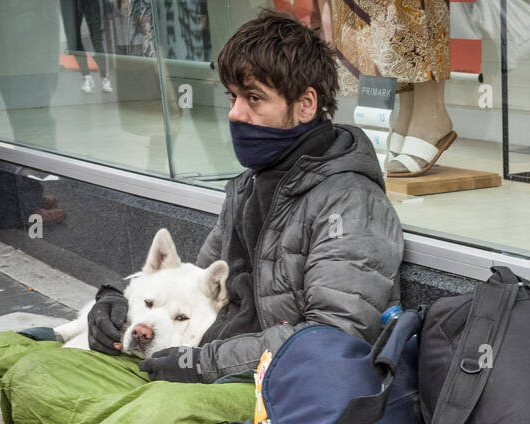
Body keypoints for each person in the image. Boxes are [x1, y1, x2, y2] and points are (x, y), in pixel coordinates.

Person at [86, 8, 404, 383]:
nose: (235, 113)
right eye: (232, 96)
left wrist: (203, 364)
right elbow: (194, 287)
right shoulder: (253, 186)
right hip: (222, 360)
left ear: (305, 104)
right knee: (44, 372)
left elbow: (331, 338)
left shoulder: (350, 202)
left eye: (254, 98)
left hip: (284, 387)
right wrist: (115, 304)